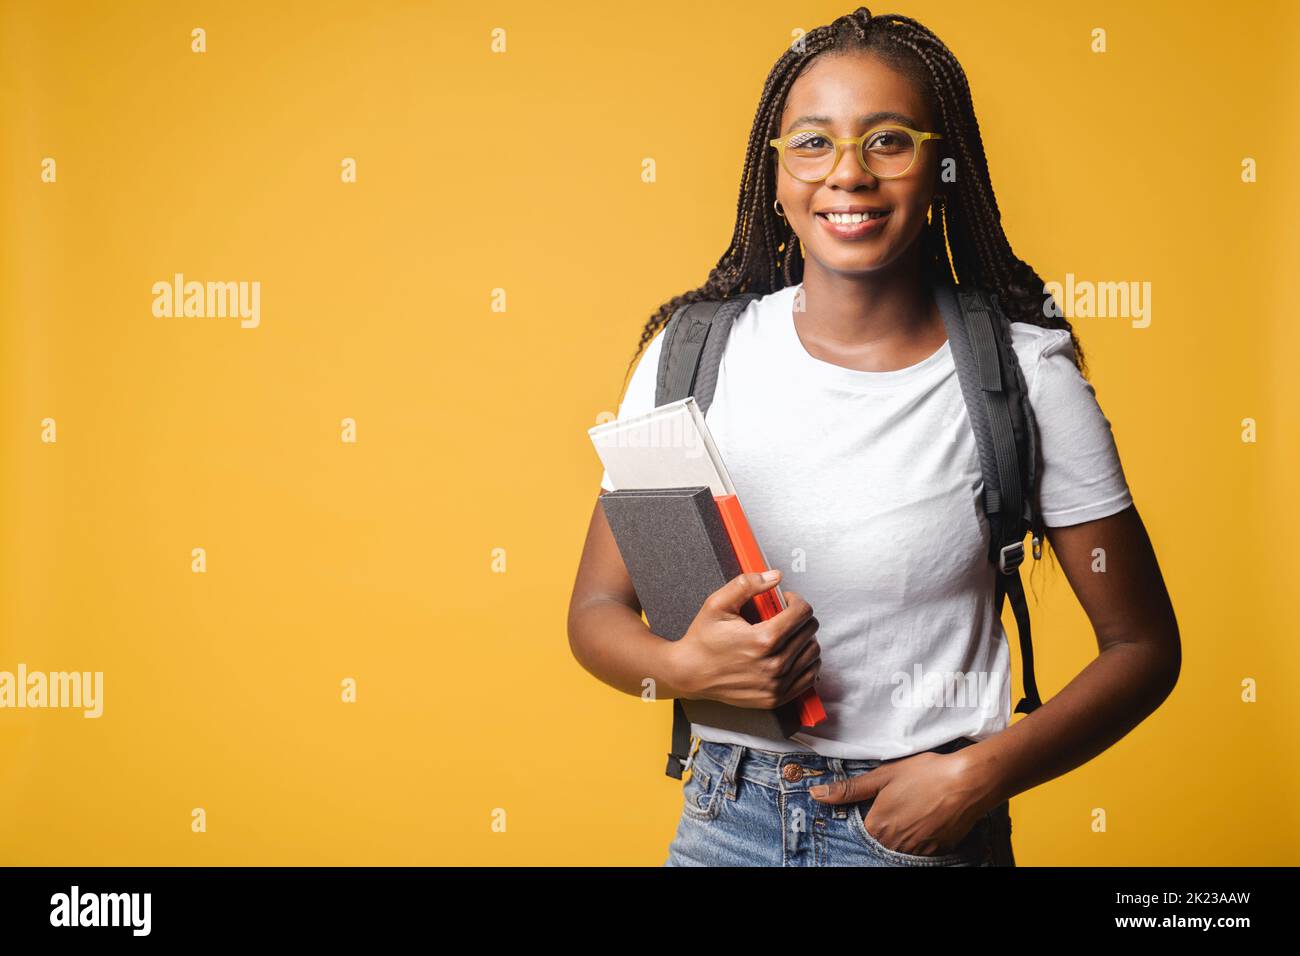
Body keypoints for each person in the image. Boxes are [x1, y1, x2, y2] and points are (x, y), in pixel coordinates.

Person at [566, 6, 1180, 867]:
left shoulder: (1023, 376)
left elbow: (1144, 649)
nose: (847, 175)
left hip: (920, 833)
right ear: (774, 175)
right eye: (812, 144)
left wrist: (979, 778)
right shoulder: (691, 357)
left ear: (941, 167)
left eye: (888, 141)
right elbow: (596, 611)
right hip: (723, 819)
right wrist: (686, 669)